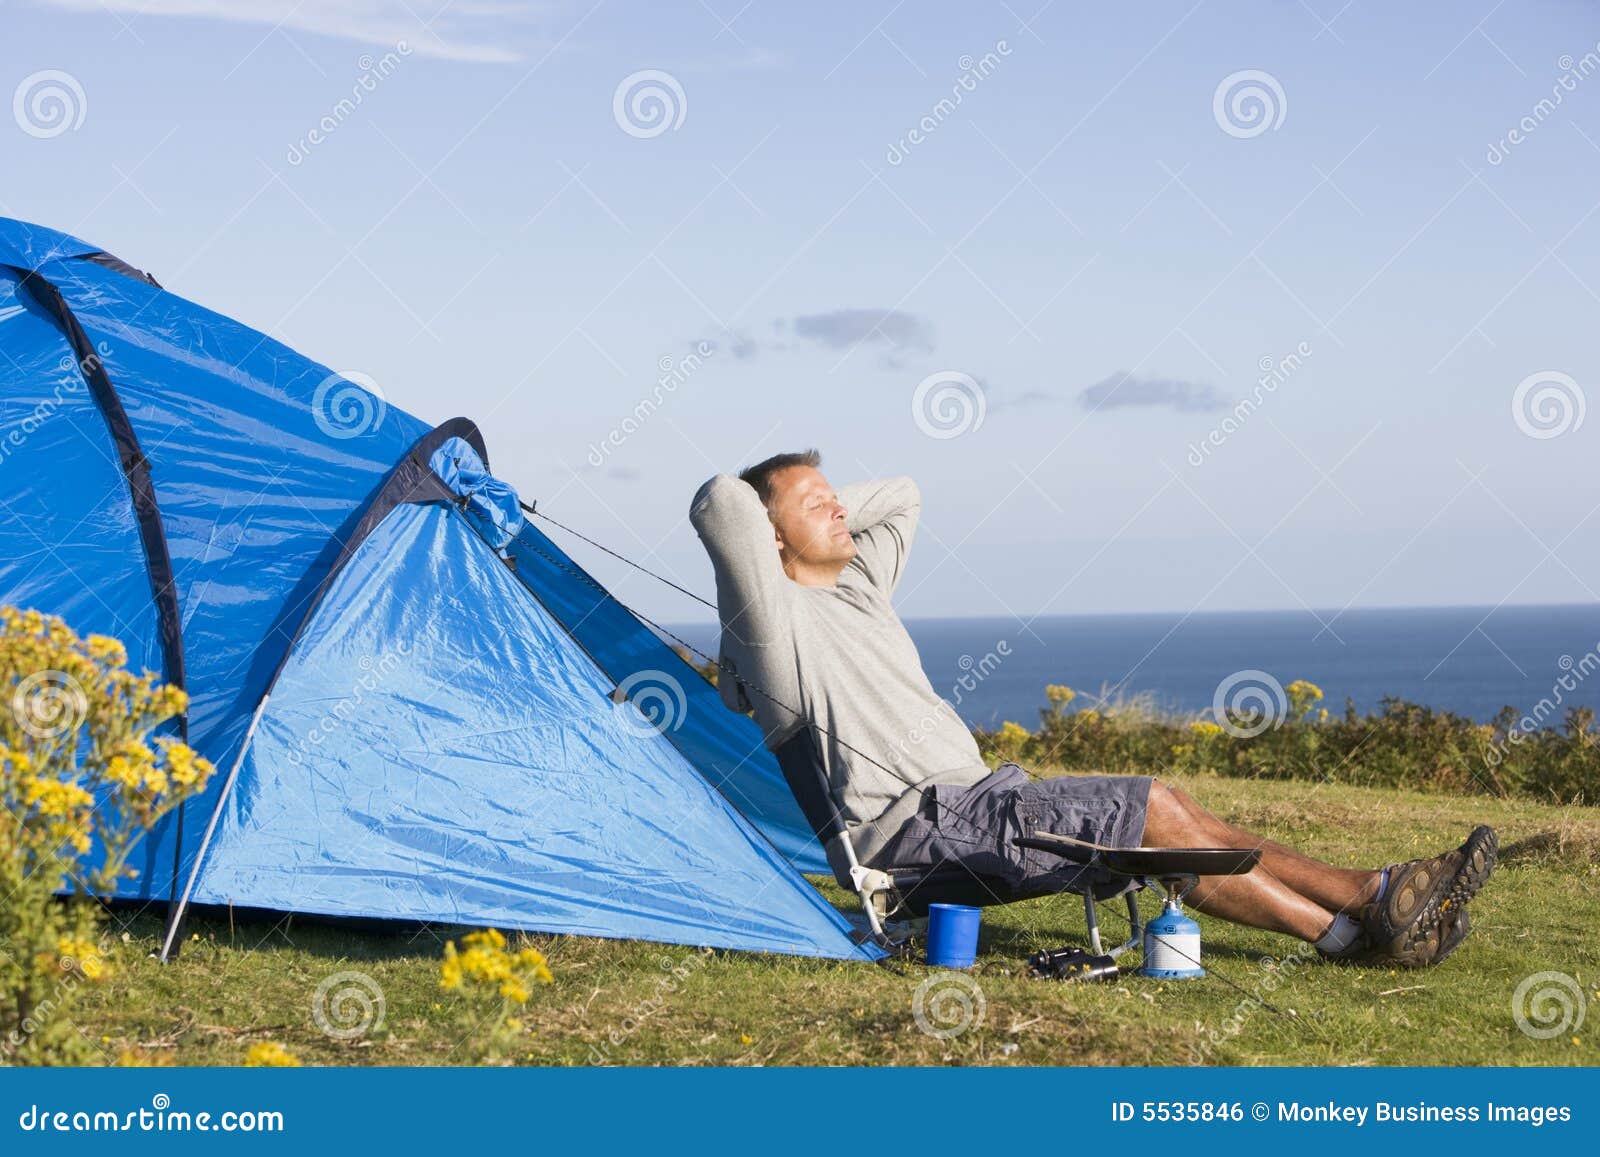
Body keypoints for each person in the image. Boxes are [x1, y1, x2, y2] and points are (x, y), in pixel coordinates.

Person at [689, 450, 1497, 968]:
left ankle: (1364, 914)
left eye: (837, 497)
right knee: (1151, 812)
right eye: (814, 503)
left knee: (1168, 812)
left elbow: (903, 496)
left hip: (980, 799)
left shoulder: (860, 587)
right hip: (923, 833)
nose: (838, 509)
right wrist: (777, 516)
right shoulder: (773, 629)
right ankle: (1367, 905)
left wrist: (818, 502)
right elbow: (718, 501)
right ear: (769, 539)